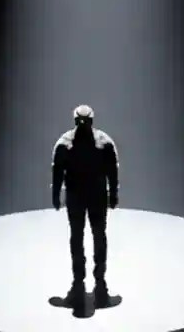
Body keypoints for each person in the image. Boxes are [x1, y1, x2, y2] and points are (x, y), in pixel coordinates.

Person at [52, 104, 119, 306]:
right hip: (85, 196)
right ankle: (86, 278)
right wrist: (113, 193)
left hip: (86, 196)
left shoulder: (67, 144)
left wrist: (56, 194)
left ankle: (92, 278)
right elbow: (112, 171)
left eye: (84, 121)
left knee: (89, 235)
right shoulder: (100, 143)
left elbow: (112, 171)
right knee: (86, 235)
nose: (82, 124)